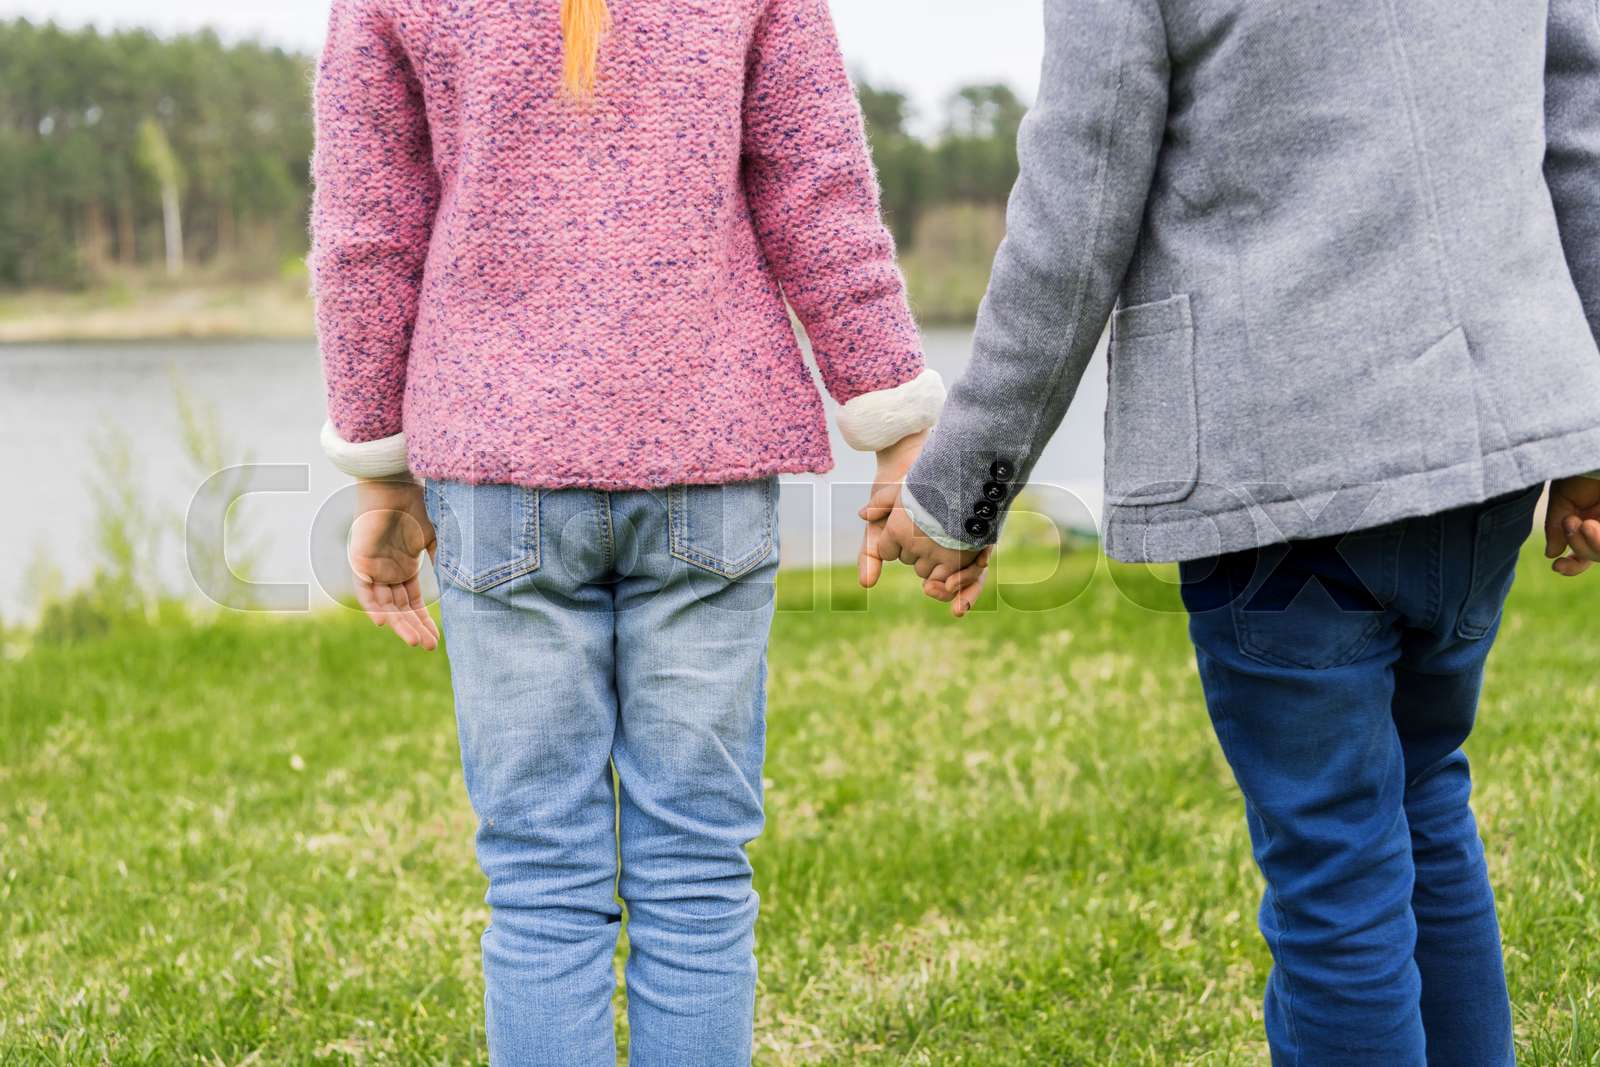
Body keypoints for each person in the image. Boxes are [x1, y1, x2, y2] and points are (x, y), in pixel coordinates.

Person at [862, 1, 1600, 1063]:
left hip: (1279, 448)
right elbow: (1579, 130)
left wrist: (958, 493)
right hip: (1486, 429)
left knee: (1337, 864)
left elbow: (1078, 200)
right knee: (1421, 793)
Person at [309, 0, 970, 1063]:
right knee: (696, 868)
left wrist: (382, 471)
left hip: (498, 458)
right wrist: (892, 415)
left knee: (539, 873)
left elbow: (367, 232)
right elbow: (817, 188)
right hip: (707, 454)